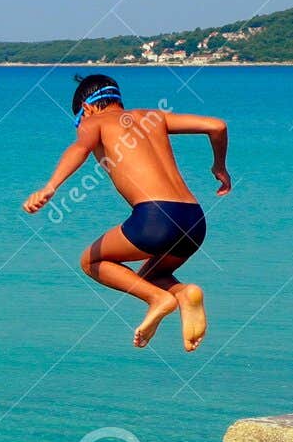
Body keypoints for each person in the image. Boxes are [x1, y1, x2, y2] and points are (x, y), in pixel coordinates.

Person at [23, 74, 230, 351]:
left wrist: (51, 187)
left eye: (79, 121)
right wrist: (220, 167)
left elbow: (79, 149)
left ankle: (158, 300)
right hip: (194, 221)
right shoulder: (155, 116)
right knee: (151, 277)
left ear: (87, 108)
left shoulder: (95, 121)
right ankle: (183, 293)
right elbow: (217, 126)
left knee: (90, 261)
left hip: (155, 218)